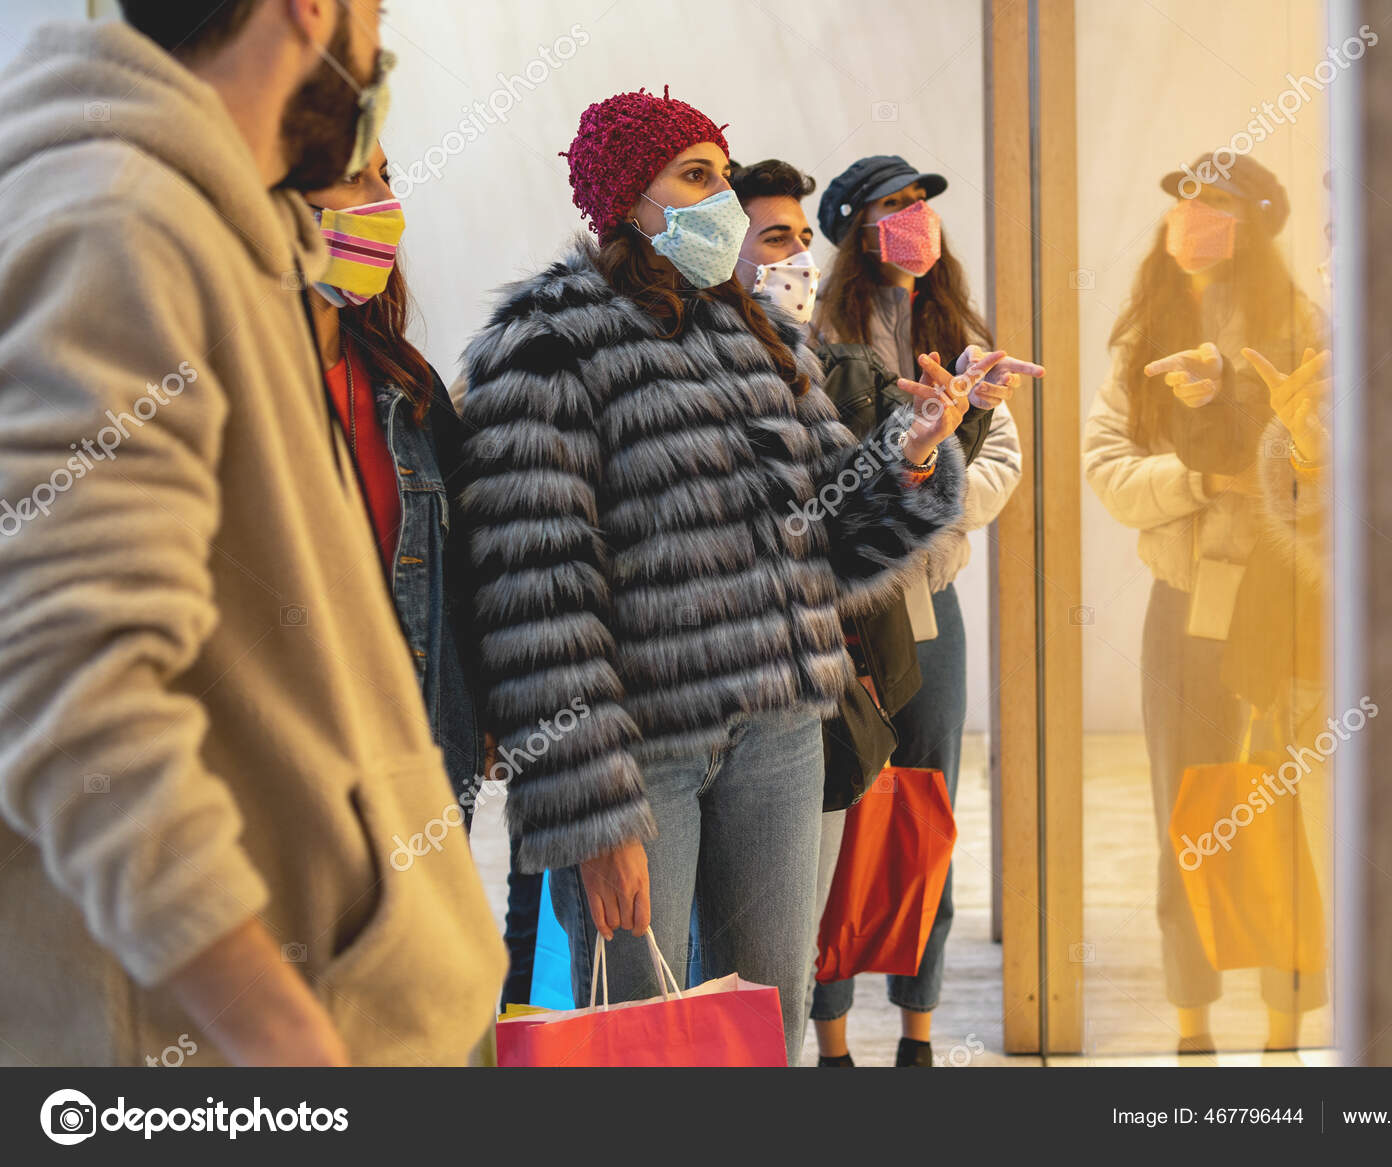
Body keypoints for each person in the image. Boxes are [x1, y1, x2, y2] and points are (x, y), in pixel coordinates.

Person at [0, 2, 506, 1067]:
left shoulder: (211, 229)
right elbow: (67, 687)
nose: (375, 52)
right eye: (371, 13)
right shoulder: (122, 222)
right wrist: (280, 1041)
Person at [461, 88, 980, 1065]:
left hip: (779, 730)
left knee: (765, 1021)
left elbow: (832, 543)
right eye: (695, 178)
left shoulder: (761, 339)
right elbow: (538, 597)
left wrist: (912, 456)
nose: (724, 204)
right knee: (640, 1032)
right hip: (639, 755)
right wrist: (593, 806)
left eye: (722, 179)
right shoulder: (544, 341)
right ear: (627, 196)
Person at [1082, 154, 1324, 1055]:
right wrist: (1194, 476)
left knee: (1279, 815)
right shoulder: (1145, 332)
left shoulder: (1301, 328)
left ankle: (1285, 1032)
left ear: (1254, 223)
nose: (1192, 215)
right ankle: (1192, 1030)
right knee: (1188, 814)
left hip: (1277, 607)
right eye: (1184, 198)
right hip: (1179, 608)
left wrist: (1275, 448)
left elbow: (1335, 472)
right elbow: (1106, 465)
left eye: (1216, 203)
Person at [808, 155, 1030, 1067]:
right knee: (841, 806)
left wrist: (939, 474)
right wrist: (920, 474)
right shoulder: (821, 334)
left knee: (928, 809)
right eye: (895, 205)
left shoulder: (965, 334)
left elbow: (1001, 467)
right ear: (858, 226)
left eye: (922, 204)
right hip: (854, 609)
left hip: (934, 604)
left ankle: (919, 1030)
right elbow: (831, 474)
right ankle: (829, 1039)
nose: (915, 219)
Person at [302, 144, 487, 819]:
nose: (385, 200)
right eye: (354, 174)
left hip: (422, 766)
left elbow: (465, 580)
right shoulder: (204, 390)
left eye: (387, 173)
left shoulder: (407, 390)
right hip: (290, 787)